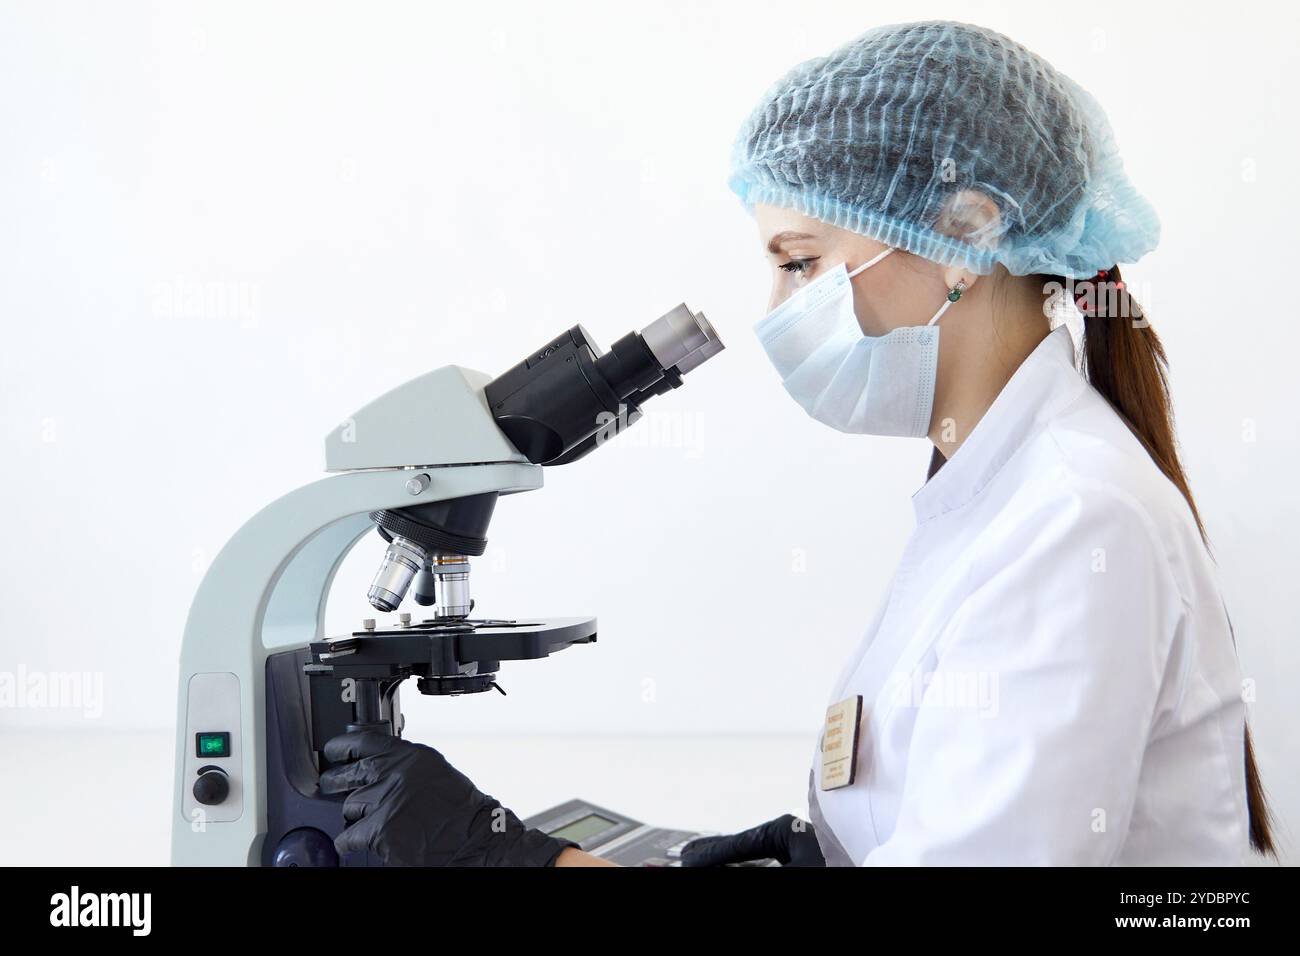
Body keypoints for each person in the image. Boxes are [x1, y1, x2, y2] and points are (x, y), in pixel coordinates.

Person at [320, 20, 1272, 866]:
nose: (777, 312)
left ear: (966, 230)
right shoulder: (994, 486)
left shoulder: (1074, 521)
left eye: (799, 263)